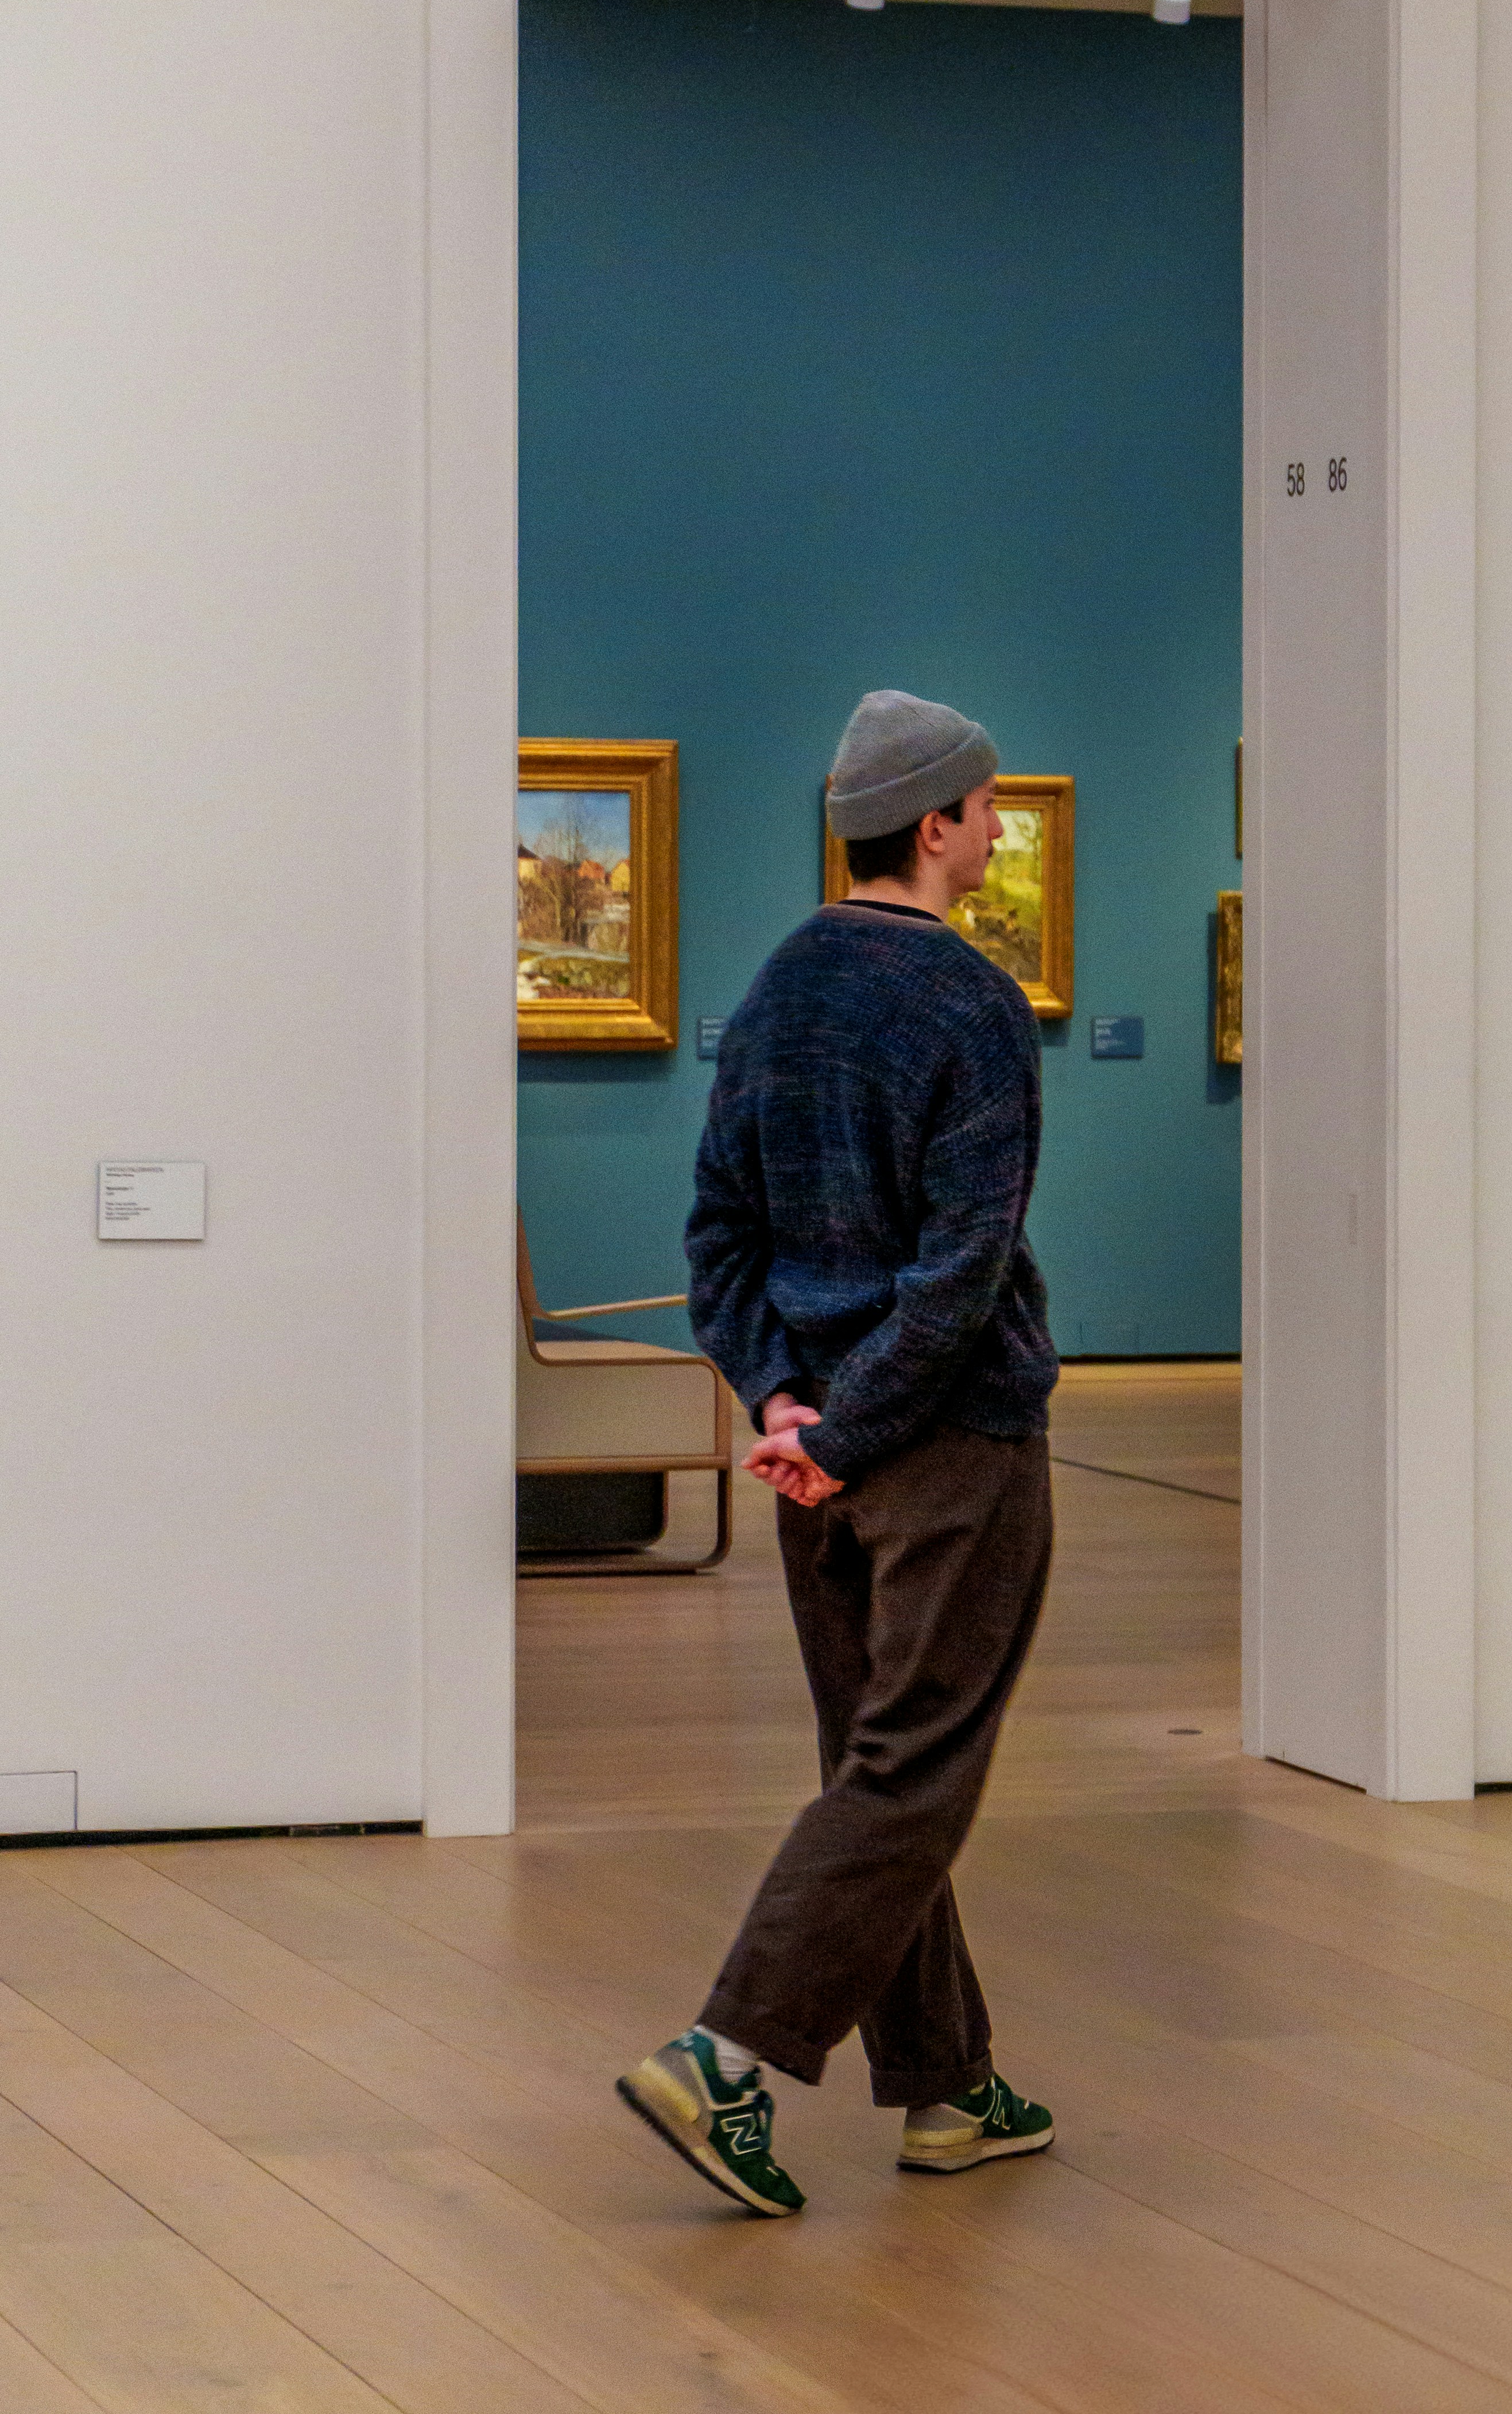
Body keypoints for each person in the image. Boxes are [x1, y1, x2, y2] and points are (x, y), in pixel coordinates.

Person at [615, 689, 1060, 2218]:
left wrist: (781, 1405)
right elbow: (965, 1269)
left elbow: (717, 1234)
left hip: (817, 1449)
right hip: (949, 1448)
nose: (998, 832)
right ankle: (729, 2058)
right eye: (988, 809)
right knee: (914, 1772)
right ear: (934, 827)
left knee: (875, 1763)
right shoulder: (973, 1006)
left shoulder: (782, 987)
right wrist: (860, 1424)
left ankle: (949, 2089)